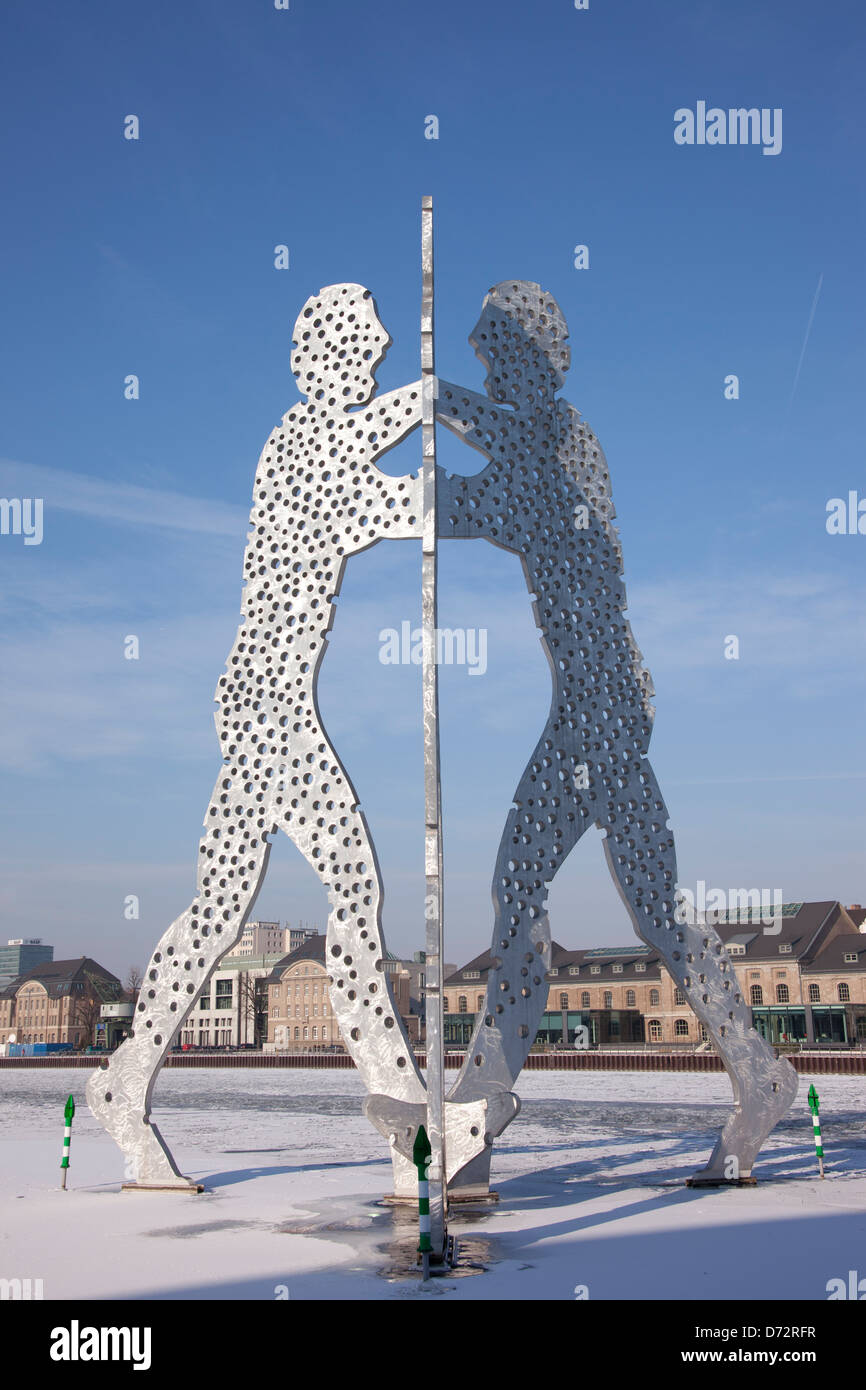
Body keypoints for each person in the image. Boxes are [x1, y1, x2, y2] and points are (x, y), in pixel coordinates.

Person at [433, 280, 797, 1182]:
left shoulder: (559, 441)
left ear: (526, 354)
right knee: (657, 911)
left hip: (598, 707)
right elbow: (484, 466)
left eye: (493, 351)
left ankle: (471, 1127)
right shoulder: (550, 438)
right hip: (602, 704)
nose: (485, 365)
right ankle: (757, 1075)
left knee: (519, 901)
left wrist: (414, 418)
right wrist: (430, 413)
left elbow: (478, 501)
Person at [87, 284, 429, 1185]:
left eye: (383, 346)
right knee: (353, 893)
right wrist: (432, 418)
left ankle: (124, 1081)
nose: (380, 350)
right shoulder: (298, 443)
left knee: (216, 912)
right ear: (320, 354)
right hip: (269, 707)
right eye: (366, 340)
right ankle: (408, 1120)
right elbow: (368, 497)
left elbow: (375, 485)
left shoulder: (315, 444)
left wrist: (433, 446)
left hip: (264, 704)